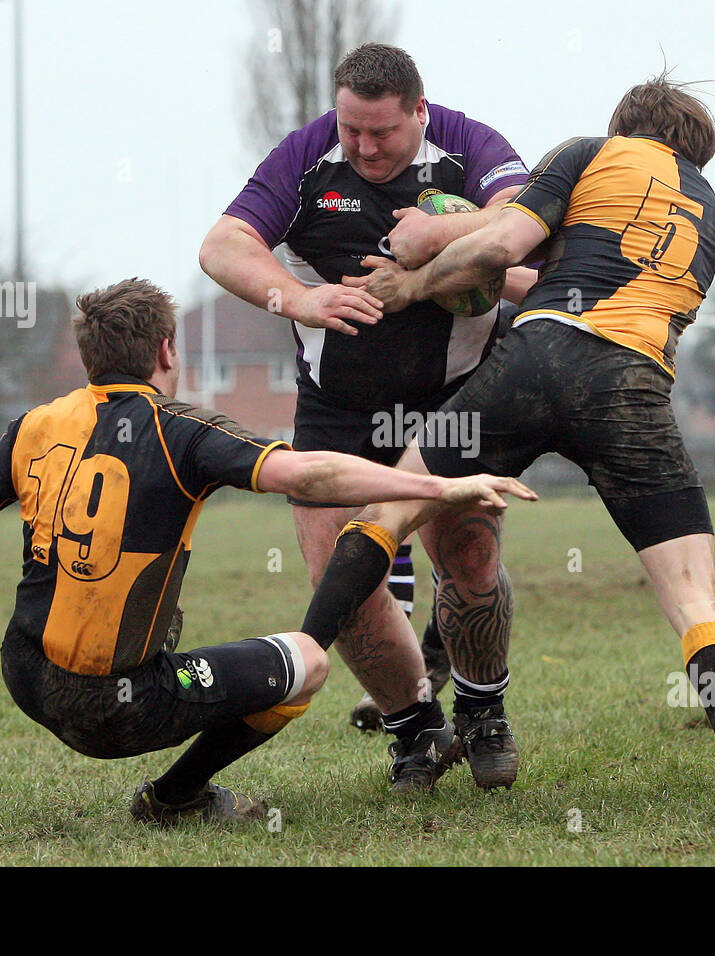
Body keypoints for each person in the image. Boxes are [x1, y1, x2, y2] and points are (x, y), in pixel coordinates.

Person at [299, 75, 715, 818]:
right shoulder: (711, 213)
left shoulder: (591, 152)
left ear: (627, 127)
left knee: (388, 512)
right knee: (696, 595)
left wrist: (409, 286)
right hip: (631, 389)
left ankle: (299, 655)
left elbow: (500, 250)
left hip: (533, 360)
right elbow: (606, 279)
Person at [0, 278, 533, 826]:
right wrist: (436, 483)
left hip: (25, 676)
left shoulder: (36, 425)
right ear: (167, 351)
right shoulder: (183, 431)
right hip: (117, 708)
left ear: (88, 359)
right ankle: (176, 798)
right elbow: (312, 474)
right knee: (308, 663)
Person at [200, 43, 537, 791]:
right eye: (351, 129)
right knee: (340, 578)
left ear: (420, 111)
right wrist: (298, 298)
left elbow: (524, 220)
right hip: (338, 406)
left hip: (456, 399)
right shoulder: (308, 156)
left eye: (381, 132)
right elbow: (222, 246)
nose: (362, 147)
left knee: (471, 557)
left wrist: (435, 243)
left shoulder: (470, 145)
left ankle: (483, 710)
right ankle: (415, 727)